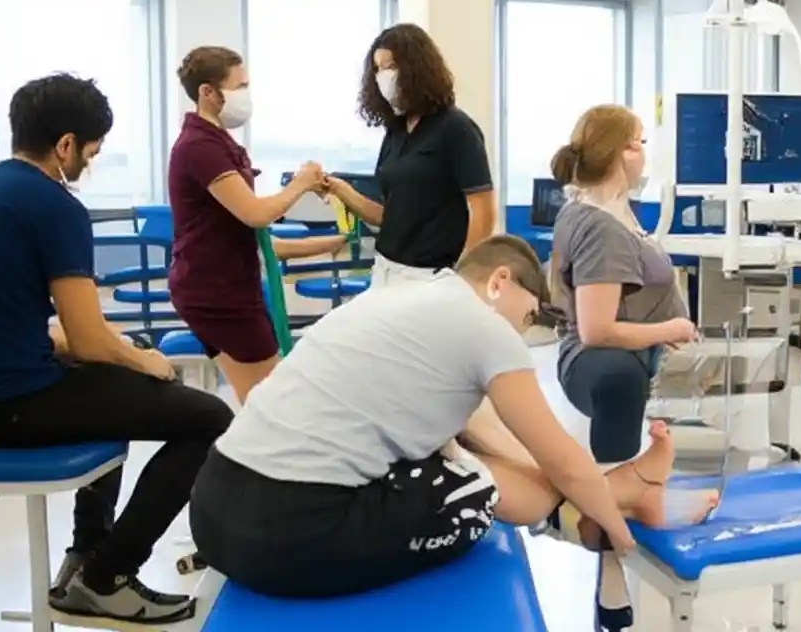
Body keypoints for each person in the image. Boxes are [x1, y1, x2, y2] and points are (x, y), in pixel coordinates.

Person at [188, 235, 710, 599]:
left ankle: (611, 496)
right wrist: (620, 535)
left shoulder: (403, 301)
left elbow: (491, 435)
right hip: (283, 535)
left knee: (462, 449)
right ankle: (615, 502)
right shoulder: (483, 327)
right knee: (470, 488)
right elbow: (558, 457)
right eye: (528, 314)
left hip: (213, 509)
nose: (523, 329)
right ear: (500, 281)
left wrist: (583, 482)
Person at [0, 74, 234, 624]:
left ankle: (85, 556)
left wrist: (96, 349)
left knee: (114, 379)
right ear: (65, 145)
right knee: (208, 417)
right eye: (91, 150)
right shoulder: (54, 205)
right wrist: (143, 359)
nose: (89, 162)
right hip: (4, 406)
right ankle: (106, 577)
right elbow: (88, 339)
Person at [548, 104, 699, 630]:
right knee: (620, 380)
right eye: (638, 143)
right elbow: (596, 329)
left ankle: (638, 496)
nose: (643, 153)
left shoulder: (609, 210)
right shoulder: (601, 225)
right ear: (618, 153)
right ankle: (604, 541)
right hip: (604, 362)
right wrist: (669, 329)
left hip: (635, 355)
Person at [167, 46, 347, 403]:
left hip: (224, 286)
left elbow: (254, 238)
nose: (245, 95)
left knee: (264, 399)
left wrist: (333, 242)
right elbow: (256, 214)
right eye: (239, 87)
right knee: (272, 403)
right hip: (217, 293)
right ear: (207, 92)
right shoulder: (199, 147)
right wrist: (301, 183)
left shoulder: (218, 143)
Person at [322, 23, 496, 287]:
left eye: (391, 66)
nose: (383, 77)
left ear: (416, 68)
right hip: (387, 268)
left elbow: (483, 213)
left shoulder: (456, 128)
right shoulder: (395, 133)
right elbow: (390, 217)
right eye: (378, 69)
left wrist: (462, 276)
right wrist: (340, 189)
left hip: (432, 274)